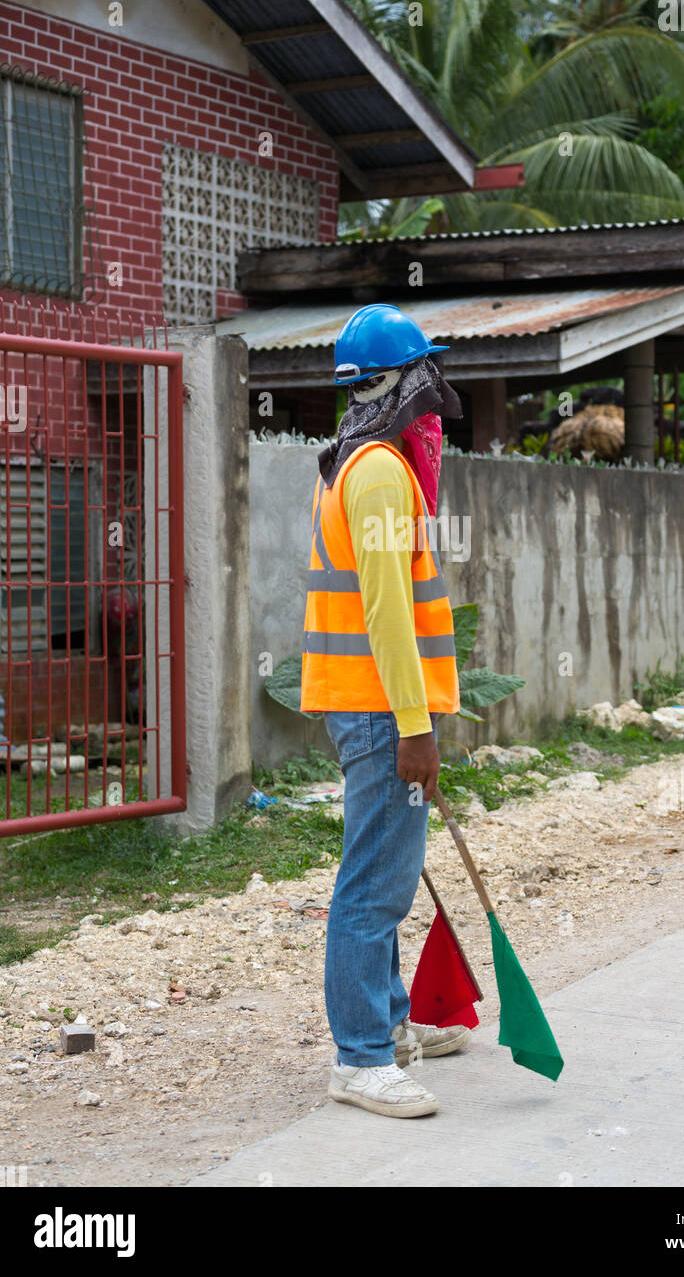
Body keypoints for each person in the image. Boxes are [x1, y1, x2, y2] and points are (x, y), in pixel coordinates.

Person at [300, 304, 468, 1119]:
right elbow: (386, 608)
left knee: (389, 875)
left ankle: (392, 1024)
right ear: (399, 384)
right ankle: (360, 1056)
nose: (437, 404)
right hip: (378, 710)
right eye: (426, 380)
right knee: (373, 884)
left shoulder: (355, 461)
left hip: (369, 704)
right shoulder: (377, 472)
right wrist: (414, 724)